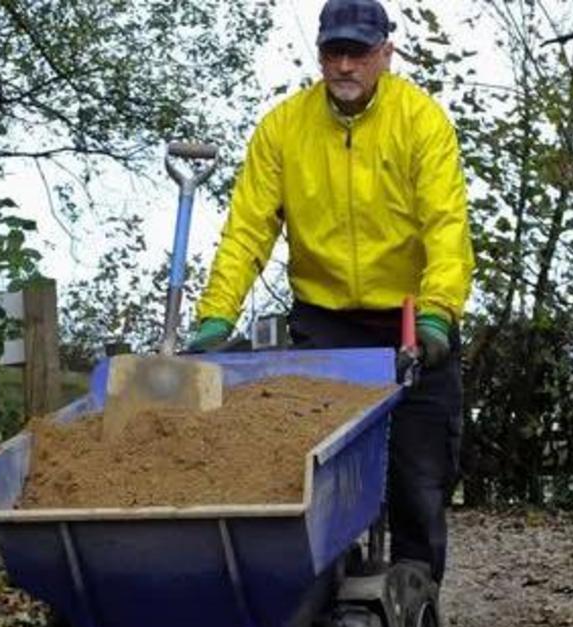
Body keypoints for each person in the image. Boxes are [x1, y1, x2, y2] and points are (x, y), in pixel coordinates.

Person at [186, 0, 473, 583]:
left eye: (359, 54)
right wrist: (216, 317)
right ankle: (324, 611)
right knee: (319, 481)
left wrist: (440, 313)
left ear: (385, 54)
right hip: (327, 323)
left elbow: (446, 226)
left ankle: (416, 614)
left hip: (412, 321)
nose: (344, 66)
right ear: (319, 54)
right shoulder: (283, 129)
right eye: (333, 53)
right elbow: (248, 230)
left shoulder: (421, 122)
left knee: (417, 479)